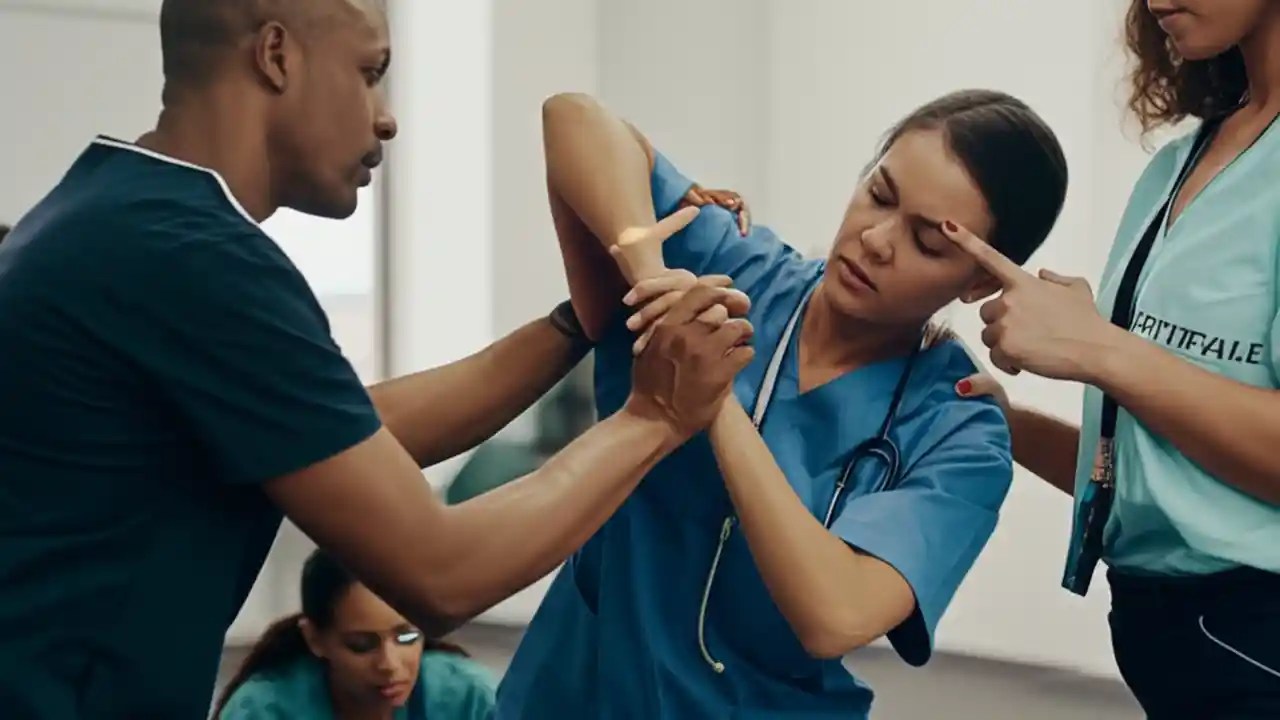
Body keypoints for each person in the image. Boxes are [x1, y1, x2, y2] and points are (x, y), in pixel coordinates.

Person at [0, 1, 756, 717]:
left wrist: (572, 327)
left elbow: (356, 432)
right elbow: (442, 572)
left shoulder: (113, 212)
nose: (386, 116)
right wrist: (655, 416)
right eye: (369, 73)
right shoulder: (193, 258)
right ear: (275, 54)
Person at [495, 91, 1068, 718]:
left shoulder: (960, 433)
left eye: (928, 242)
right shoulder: (736, 267)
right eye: (878, 195)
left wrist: (710, 391)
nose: (876, 240)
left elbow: (835, 615)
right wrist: (644, 262)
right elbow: (574, 118)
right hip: (570, 693)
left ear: (981, 280)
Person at [949, 1, 1280, 717]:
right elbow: (1175, 477)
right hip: (1173, 637)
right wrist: (1009, 428)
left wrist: (1095, 346)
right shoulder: (1185, 161)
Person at [212, 548, 496, 719]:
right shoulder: (264, 711)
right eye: (361, 645)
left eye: (407, 637)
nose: (389, 664)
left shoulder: (468, 699)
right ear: (315, 639)